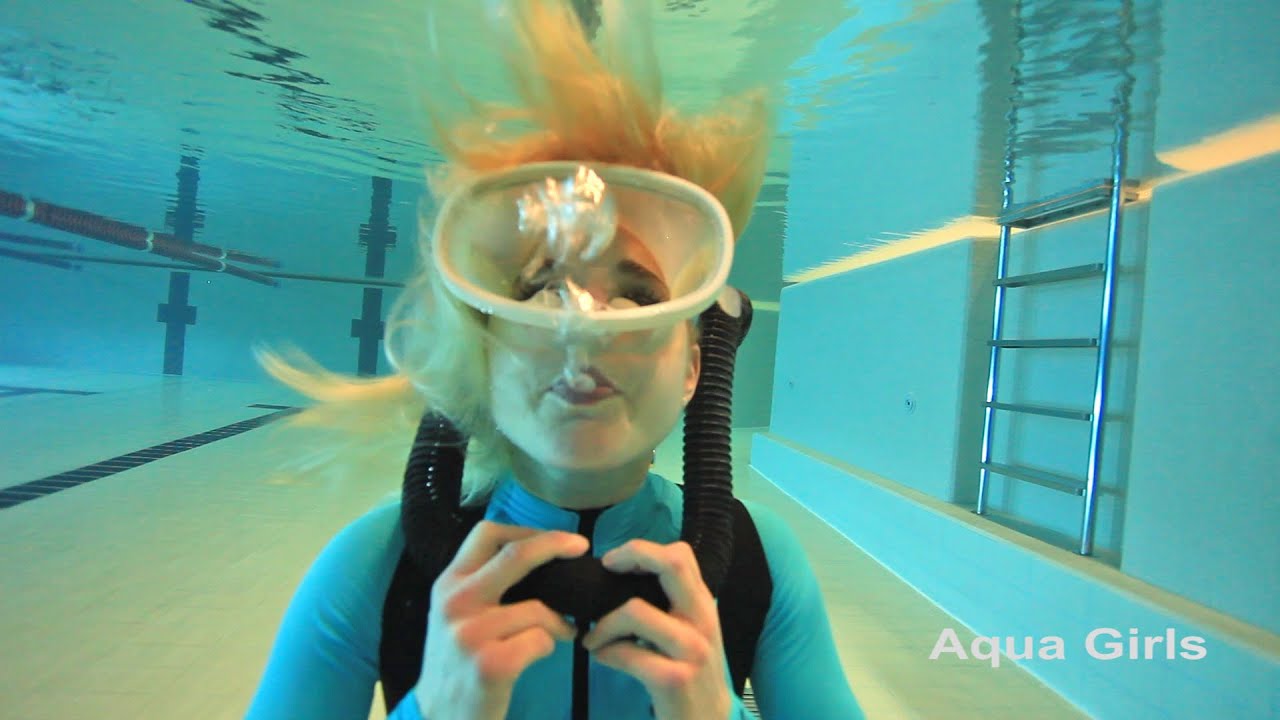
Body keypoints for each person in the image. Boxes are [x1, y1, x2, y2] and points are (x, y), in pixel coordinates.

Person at [245, 1, 864, 718]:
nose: (583, 332)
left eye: (637, 298)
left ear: (695, 369)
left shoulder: (761, 564)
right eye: (541, 293)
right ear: (480, 350)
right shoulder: (376, 568)